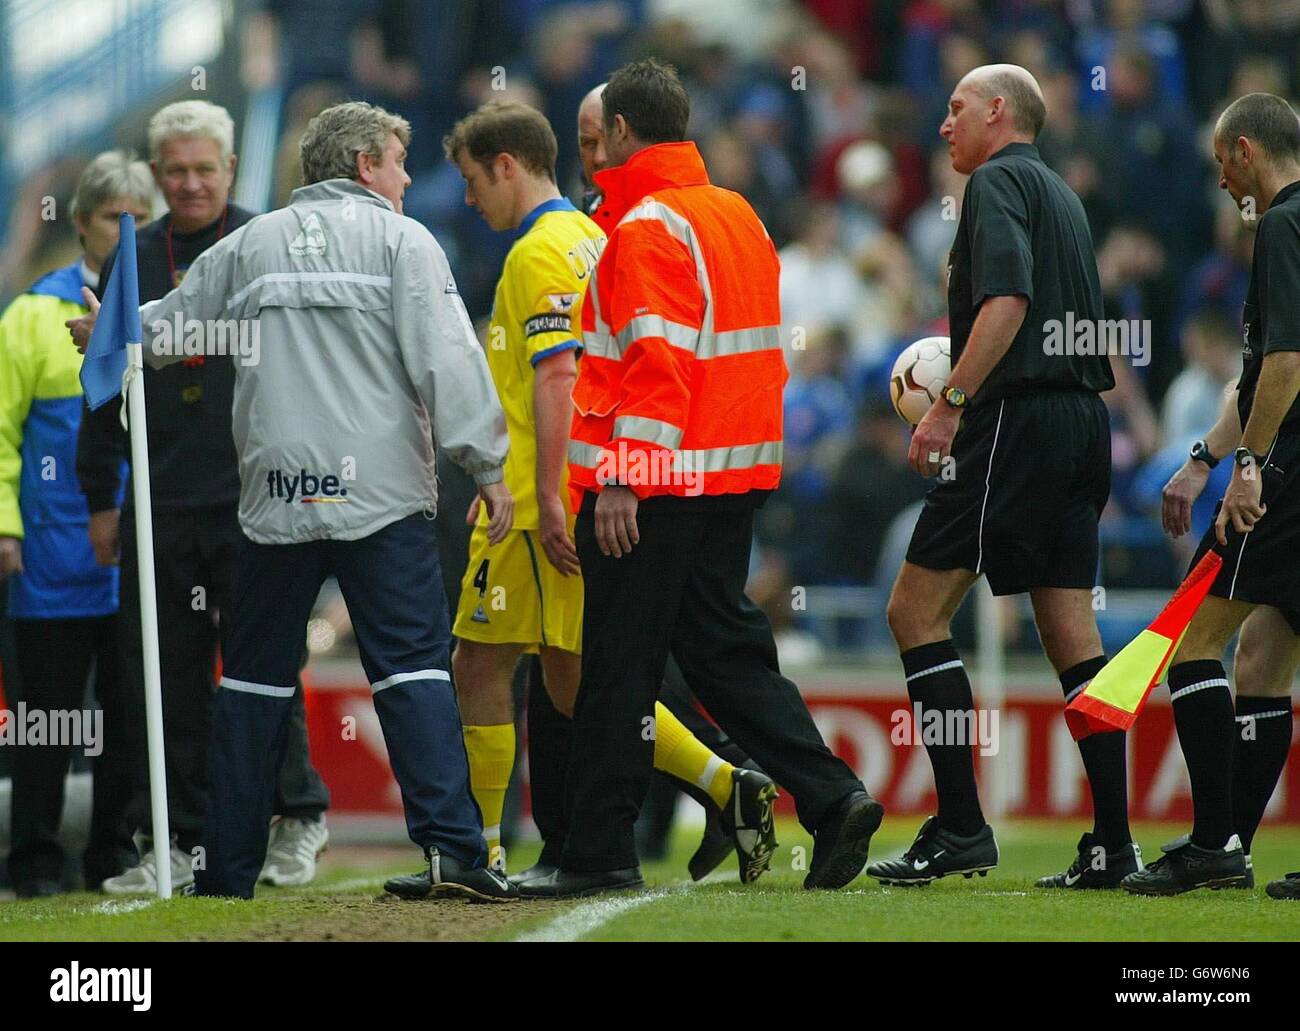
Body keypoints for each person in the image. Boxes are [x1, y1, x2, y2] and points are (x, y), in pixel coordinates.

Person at [72, 100, 515, 902]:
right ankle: (455, 850)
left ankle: (227, 871)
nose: (408, 177)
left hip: (275, 501)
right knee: (412, 672)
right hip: (378, 500)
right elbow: (448, 360)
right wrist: (487, 466)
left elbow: (164, 334)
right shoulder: (402, 242)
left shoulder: (250, 244)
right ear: (361, 167)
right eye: (396, 161)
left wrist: (111, 331)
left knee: (251, 685)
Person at [386, 100, 776, 897]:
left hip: (536, 506)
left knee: (478, 661)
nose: (467, 200)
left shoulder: (538, 252)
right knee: (573, 680)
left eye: (471, 180)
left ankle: (479, 850)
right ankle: (724, 778)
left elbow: (560, 373)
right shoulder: (596, 233)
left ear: (507, 165)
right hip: (567, 488)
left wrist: (538, 491)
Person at [522, 60, 881, 900]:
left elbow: (658, 366)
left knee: (616, 664)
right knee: (725, 654)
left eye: (597, 134)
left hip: (655, 484)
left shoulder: (647, 225)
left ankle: (599, 850)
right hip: (732, 475)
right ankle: (833, 796)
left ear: (618, 132)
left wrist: (622, 479)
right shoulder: (736, 213)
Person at [866, 65, 1138, 888]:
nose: (944, 127)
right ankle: (1113, 843)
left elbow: (1008, 301)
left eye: (954, 110)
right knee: (1073, 635)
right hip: (1083, 420)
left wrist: (949, 403)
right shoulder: (1063, 195)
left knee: (913, 609)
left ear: (997, 112)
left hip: (1016, 417)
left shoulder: (993, 183)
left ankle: (957, 826)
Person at [75, 100, 331, 893]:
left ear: (228, 169)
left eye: (204, 169)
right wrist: (100, 496)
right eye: (176, 171)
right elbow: (105, 382)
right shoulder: (132, 254)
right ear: (156, 176)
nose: (190, 184)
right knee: (170, 678)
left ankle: (298, 816)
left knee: (264, 667)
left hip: (256, 494)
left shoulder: (265, 240)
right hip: (161, 503)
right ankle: (179, 839)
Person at [1124, 93, 1300, 897]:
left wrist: (1248, 466)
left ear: (1243, 151)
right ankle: (1226, 842)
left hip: (1287, 478)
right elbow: (1260, 369)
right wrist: (1202, 457)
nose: (1220, 178)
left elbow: (1285, 368)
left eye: (1221, 161)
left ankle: (1212, 844)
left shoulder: (1283, 228)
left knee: (1192, 643)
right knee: (1264, 656)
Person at [0, 152, 153, 896]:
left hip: (141, 556)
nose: (128, 233)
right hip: (52, 559)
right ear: (83, 222)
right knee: (47, 718)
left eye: (142, 219)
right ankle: (30, 857)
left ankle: (113, 854)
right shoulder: (32, 315)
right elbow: (0, 430)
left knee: (128, 711)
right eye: (113, 218)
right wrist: (5, 528)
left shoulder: (169, 309)